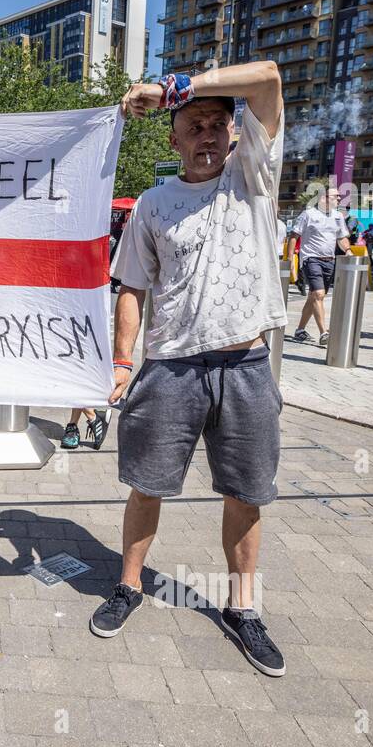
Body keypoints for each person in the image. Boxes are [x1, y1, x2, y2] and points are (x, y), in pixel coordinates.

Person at [91, 62, 288, 677]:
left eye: (216, 124)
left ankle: (243, 608)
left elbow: (270, 78)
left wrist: (177, 88)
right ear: (173, 140)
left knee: (245, 492)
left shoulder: (254, 175)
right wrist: (123, 361)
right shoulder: (153, 203)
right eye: (192, 126)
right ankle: (129, 585)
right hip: (170, 367)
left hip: (246, 363)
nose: (206, 134)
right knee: (146, 484)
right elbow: (131, 287)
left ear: (235, 134)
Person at [289, 186, 350, 347]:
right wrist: (290, 259)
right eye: (336, 196)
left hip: (329, 261)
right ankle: (324, 333)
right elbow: (294, 236)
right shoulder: (309, 214)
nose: (339, 199)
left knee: (314, 297)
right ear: (324, 198)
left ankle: (300, 330)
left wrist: (348, 250)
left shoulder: (338, 216)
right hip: (311, 258)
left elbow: (342, 238)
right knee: (319, 294)